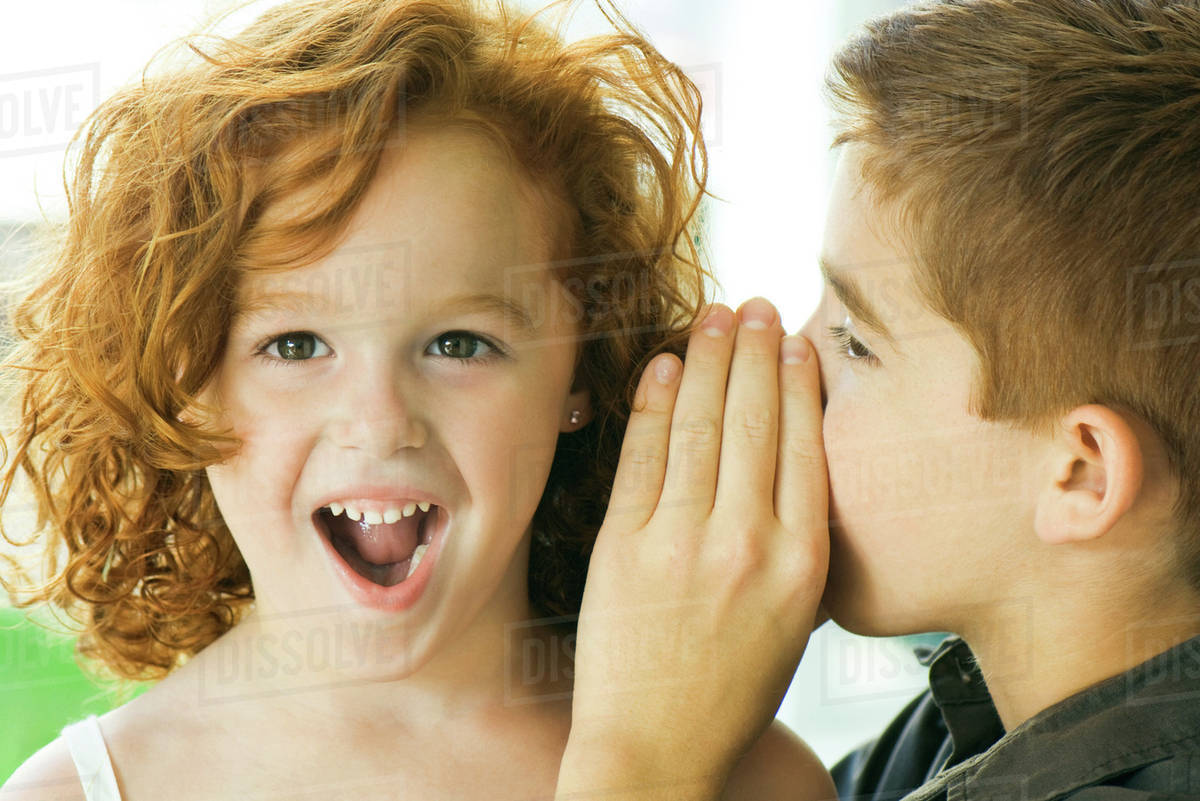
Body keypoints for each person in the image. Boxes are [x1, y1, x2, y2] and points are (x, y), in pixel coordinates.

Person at [0, 1, 838, 799]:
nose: (380, 421)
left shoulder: (749, 781)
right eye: (294, 346)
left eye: (459, 343)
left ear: (579, 371)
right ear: (183, 382)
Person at [554, 0, 1200, 799]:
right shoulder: (974, 724)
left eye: (857, 340)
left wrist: (637, 754)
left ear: (1079, 472)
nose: (791, 359)